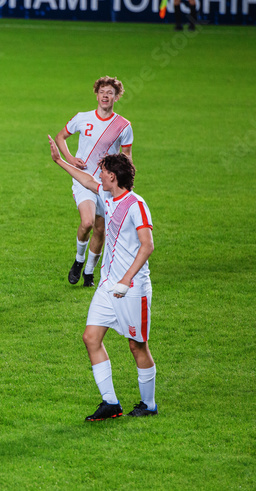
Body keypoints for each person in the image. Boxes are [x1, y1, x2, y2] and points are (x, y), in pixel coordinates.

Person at [48, 135, 159, 421]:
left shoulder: (136, 204)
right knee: (90, 338)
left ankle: (149, 405)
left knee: (137, 346)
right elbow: (86, 181)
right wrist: (60, 161)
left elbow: (147, 245)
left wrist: (126, 280)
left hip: (132, 288)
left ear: (113, 176)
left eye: (103, 172)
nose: (99, 176)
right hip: (108, 286)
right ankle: (111, 403)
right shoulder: (108, 196)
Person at [55, 76, 133, 288]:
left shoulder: (123, 126)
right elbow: (60, 137)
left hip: (106, 184)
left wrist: (125, 182)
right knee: (87, 222)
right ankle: (79, 260)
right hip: (83, 180)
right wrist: (70, 158)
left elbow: (126, 156)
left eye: (110, 93)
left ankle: (89, 273)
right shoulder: (82, 118)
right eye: (102, 92)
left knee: (100, 229)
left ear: (116, 97)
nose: (105, 96)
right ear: (97, 95)